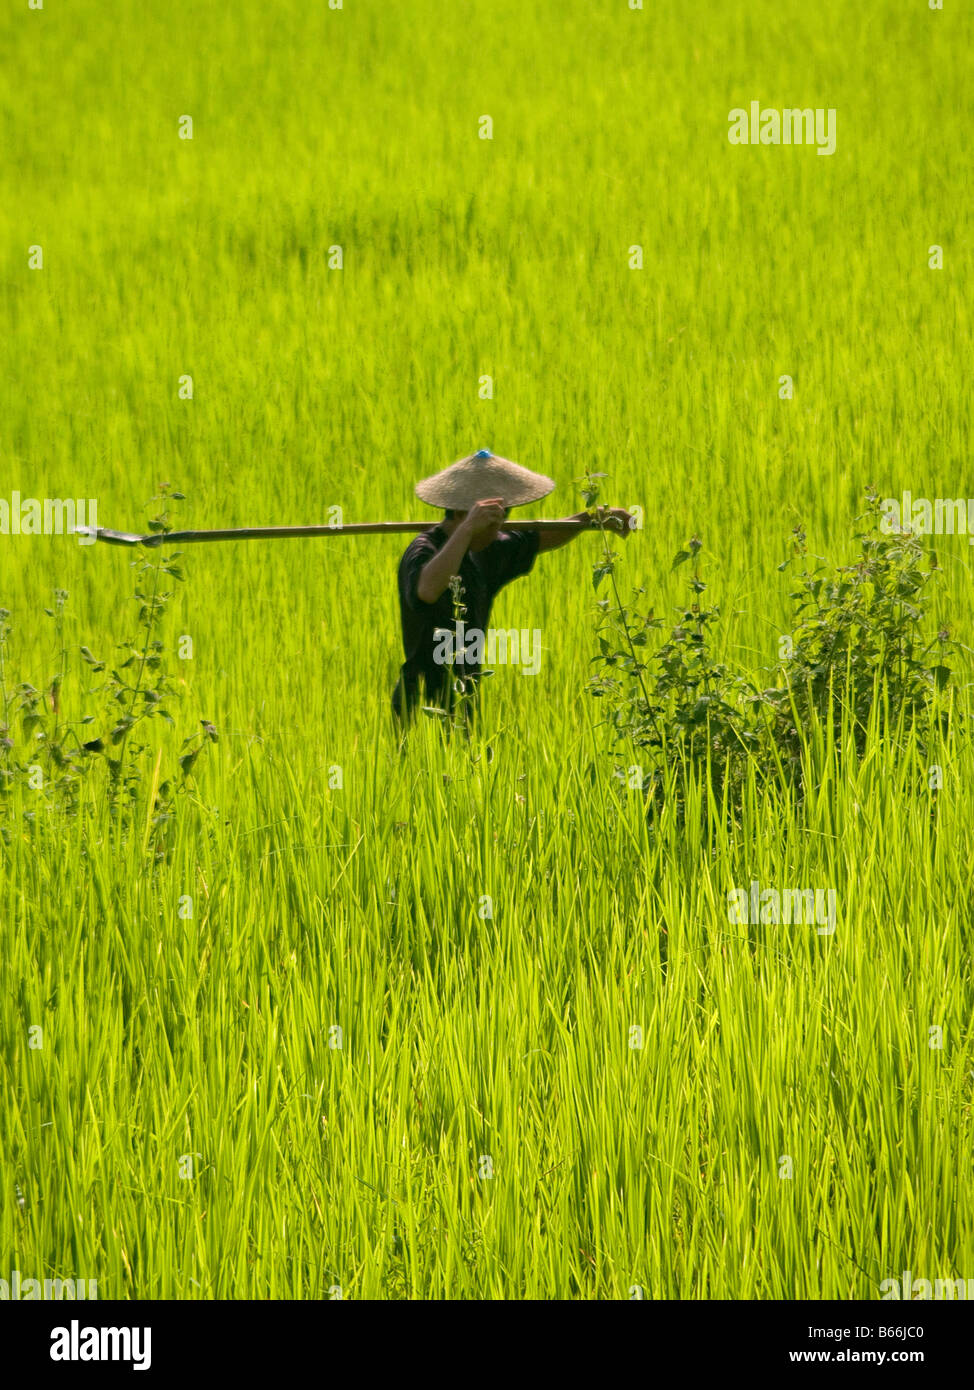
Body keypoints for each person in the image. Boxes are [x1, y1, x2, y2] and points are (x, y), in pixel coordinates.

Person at [392, 448, 632, 724]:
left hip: (464, 698)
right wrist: (469, 528)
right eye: (491, 523)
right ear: (462, 515)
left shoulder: (486, 551)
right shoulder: (424, 550)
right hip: (419, 704)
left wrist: (589, 519)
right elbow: (427, 590)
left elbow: (538, 538)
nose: (498, 533)